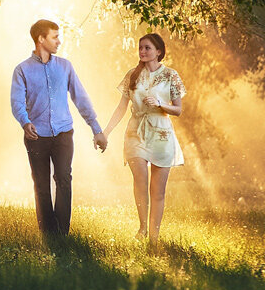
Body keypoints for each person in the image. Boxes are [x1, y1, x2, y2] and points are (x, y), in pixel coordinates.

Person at [11, 19, 108, 235]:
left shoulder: (65, 67)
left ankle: (62, 232)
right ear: (41, 39)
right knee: (42, 185)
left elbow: (81, 98)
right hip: (36, 136)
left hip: (63, 133)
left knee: (64, 179)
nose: (59, 41)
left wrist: (96, 129)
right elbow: (17, 102)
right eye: (55, 37)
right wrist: (25, 122)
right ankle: (49, 233)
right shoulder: (22, 70)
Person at [103, 33, 186, 242]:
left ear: (158, 51)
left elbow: (178, 110)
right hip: (135, 132)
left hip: (161, 134)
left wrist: (160, 103)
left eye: (147, 48)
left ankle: (154, 237)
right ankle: (142, 228)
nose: (142, 51)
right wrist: (105, 132)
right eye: (140, 47)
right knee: (140, 179)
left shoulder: (171, 75)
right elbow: (121, 107)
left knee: (157, 191)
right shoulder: (132, 75)